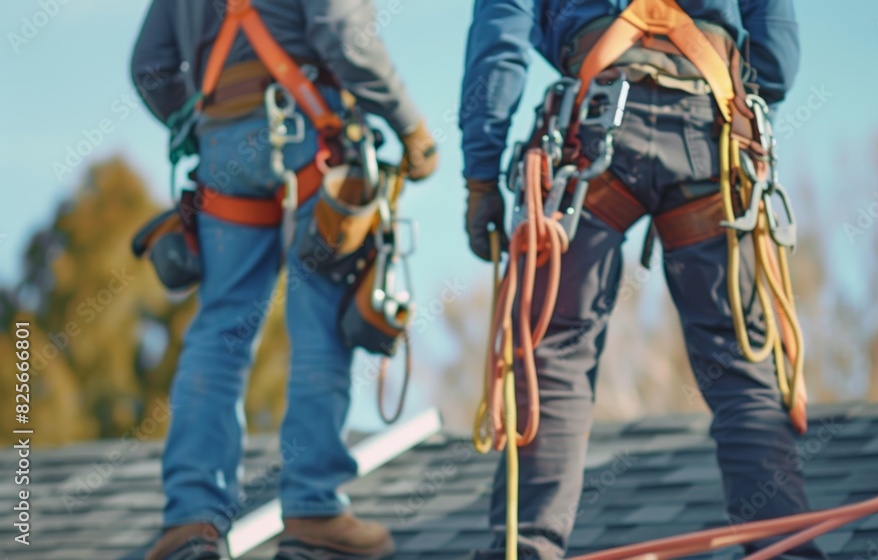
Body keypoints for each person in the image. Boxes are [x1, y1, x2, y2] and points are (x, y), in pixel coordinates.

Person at [460, 1, 825, 558]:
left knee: (552, 354)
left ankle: (526, 547)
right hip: (712, 130)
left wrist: (481, 175)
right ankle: (783, 547)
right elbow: (775, 56)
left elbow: (501, 31)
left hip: (592, 121)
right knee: (741, 365)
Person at [131, 1, 436, 559]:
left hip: (225, 146)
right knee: (319, 319)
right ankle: (313, 510)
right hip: (310, 134)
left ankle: (192, 521)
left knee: (220, 329)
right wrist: (410, 126)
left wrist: (205, 116)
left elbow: (150, 66)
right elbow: (345, 37)